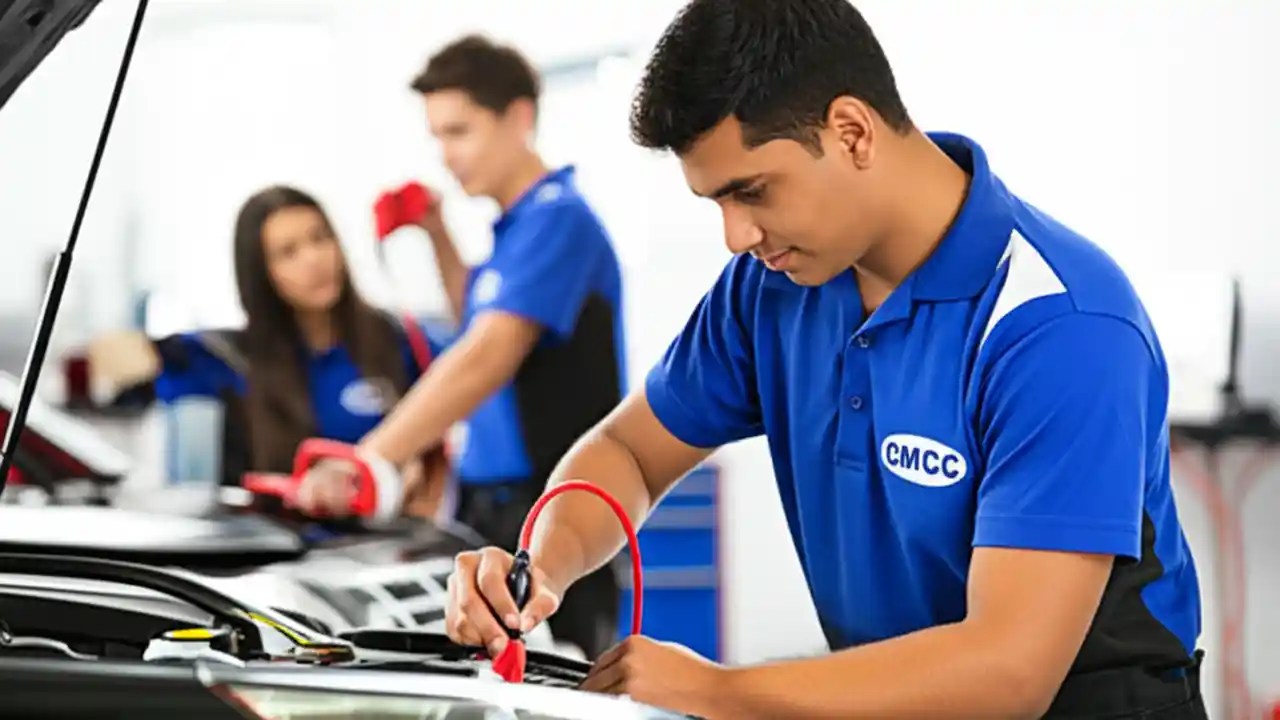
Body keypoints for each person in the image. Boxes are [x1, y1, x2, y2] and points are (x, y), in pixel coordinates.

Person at [441, 2, 1207, 718]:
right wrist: (537, 570)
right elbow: (627, 453)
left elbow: (1007, 670)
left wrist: (718, 690)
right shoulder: (769, 288)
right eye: (716, 203)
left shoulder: (1060, 325)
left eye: (752, 192)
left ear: (851, 131)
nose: (736, 235)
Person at [295, 35, 628, 660]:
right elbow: (475, 315)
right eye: (437, 136)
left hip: (550, 514)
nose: (446, 155)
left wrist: (372, 462)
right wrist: (438, 232)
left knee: (558, 682)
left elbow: (487, 354)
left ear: (519, 118)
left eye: (459, 132)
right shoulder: (513, 231)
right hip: (492, 509)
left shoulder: (559, 219)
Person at [109, 185, 451, 518]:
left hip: (391, 545)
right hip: (282, 556)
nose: (313, 259)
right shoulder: (226, 358)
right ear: (260, 272)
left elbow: (475, 366)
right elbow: (114, 360)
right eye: (288, 252)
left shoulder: (398, 340)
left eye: (320, 238)